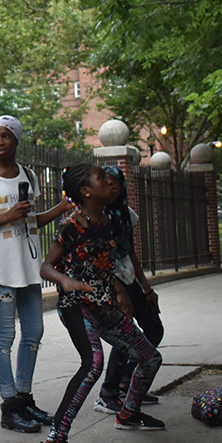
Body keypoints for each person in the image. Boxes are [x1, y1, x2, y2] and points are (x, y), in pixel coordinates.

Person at [38, 163, 164, 443]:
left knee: (150, 357)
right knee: (93, 363)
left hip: (104, 307)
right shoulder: (74, 224)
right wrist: (64, 280)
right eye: (102, 177)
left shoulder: (106, 220)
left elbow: (104, 264)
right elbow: (46, 266)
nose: (111, 181)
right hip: (77, 306)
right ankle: (54, 442)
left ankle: (128, 413)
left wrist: (119, 292)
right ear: (86, 191)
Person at [0, 116, 70, 433]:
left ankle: (24, 397)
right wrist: (7, 216)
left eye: (5, 136)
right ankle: (9, 406)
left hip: (28, 266)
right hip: (1, 267)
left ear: (16, 140)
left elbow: (31, 220)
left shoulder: (29, 175)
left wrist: (62, 208)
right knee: (4, 338)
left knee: (34, 332)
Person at [93, 165, 164, 415]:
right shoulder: (97, 216)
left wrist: (146, 288)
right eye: (107, 182)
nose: (112, 187)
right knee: (125, 336)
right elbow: (97, 258)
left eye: (116, 183)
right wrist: (119, 291)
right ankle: (108, 393)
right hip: (111, 283)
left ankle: (129, 383)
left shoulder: (125, 214)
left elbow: (131, 251)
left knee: (154, 328)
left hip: (130, 278)